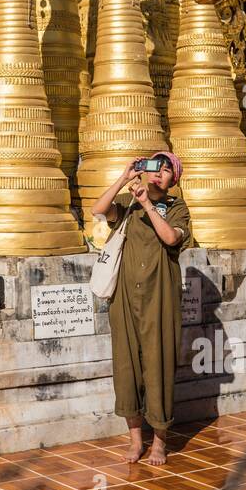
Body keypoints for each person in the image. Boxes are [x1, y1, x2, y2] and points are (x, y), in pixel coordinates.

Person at [92, 153, 192, 465]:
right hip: (123, 297)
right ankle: (136, 440)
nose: (159, 175)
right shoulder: (128, 202)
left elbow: (170, 238)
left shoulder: (177, 208)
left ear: (173, 178)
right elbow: (98, 211)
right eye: (154, 169)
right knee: (126, 368)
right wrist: (124, 178)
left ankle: (160, 441)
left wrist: (149, 205)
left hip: (159, 299)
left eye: (166, 171)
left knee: (158, 365)